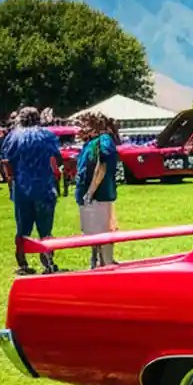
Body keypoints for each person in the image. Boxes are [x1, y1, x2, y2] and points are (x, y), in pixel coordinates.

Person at [0, 107, 64, 275]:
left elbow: (6, 162)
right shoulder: (47, 135)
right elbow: (56, 157)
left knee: (22, 227)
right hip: (44, 186)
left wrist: (10, 182)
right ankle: (48, 261)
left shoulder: (13, 136)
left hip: (22, 187)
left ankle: (22, 263)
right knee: (46, 228)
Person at [74, 112, 120, 268]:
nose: (78, 129)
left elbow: (102, 165)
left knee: (102, 232)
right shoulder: (92, 142)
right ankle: (96, 262)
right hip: (91, 197)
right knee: (92, 232)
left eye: (81, 125)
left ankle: (104, 264)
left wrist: (90, 192)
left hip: (97, 197)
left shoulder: (104, 140)